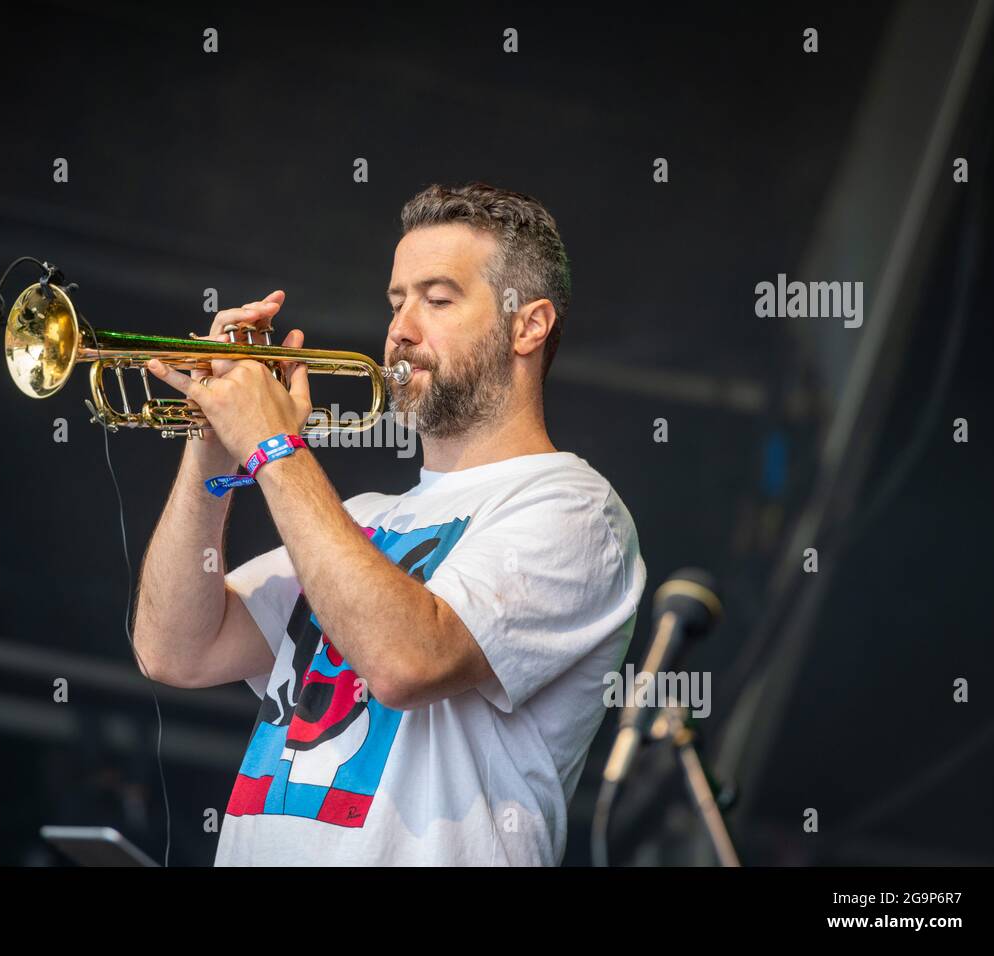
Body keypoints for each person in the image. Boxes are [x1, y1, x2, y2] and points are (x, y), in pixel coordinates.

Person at [133, 182, 645, 865]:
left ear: (529, 325)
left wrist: (275, 449)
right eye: (396, 301)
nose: (401, 329)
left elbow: (407, 662)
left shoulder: (573, 509)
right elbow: (174, 650)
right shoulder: (360, 520)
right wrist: (213, 442)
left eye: (437, 299)